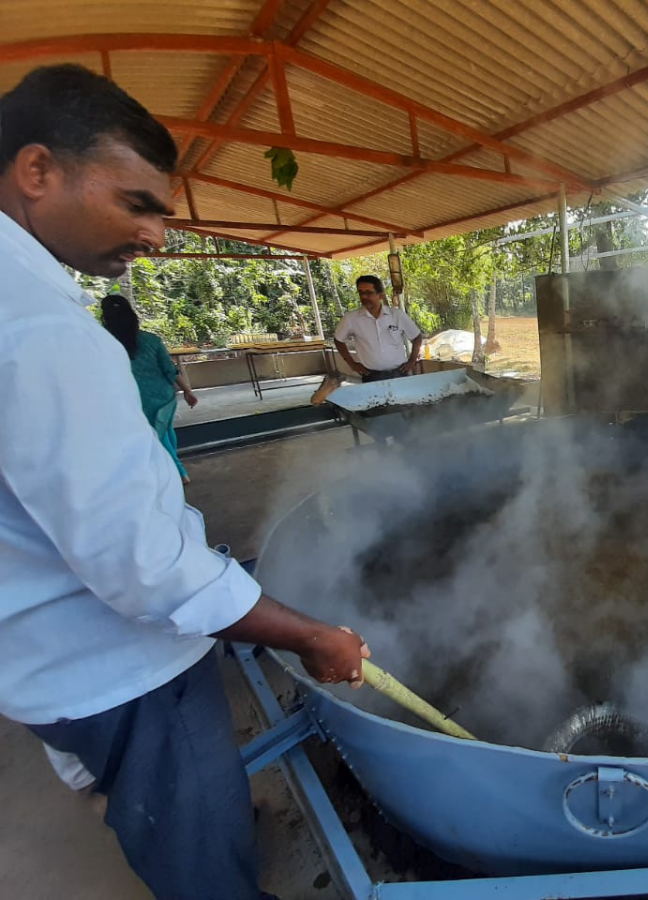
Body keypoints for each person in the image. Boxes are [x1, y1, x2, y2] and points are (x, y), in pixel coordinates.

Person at [0, 64, 370, 900]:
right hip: (124, 673)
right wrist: (311, 635)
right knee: (199, 858)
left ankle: (175, 825)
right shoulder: (39, 331)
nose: (158, 236)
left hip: (42, 662)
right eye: (137, 203)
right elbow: (145, 569)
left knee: (162, 813)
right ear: (36, 171)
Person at [100, 293, 198, 483]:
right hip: (165, 396)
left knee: (158, 436)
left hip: (138, 399)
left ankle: (179, 471)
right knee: (167, 431)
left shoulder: (107, 344)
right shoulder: (151, 340)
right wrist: (187, 391)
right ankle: (176, 467)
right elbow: (170, 370)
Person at [334, 274, 424, 381]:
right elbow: (338, 340)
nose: (364, 297)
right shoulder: (351, 318)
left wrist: (412, 360)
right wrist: (352, 363)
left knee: (403, 398)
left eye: (368, 293)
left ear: (380, 295)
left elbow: (417, 337)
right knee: (374, 398)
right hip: (371, 375)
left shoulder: (397, 315)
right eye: (361, 292)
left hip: (399, 373)